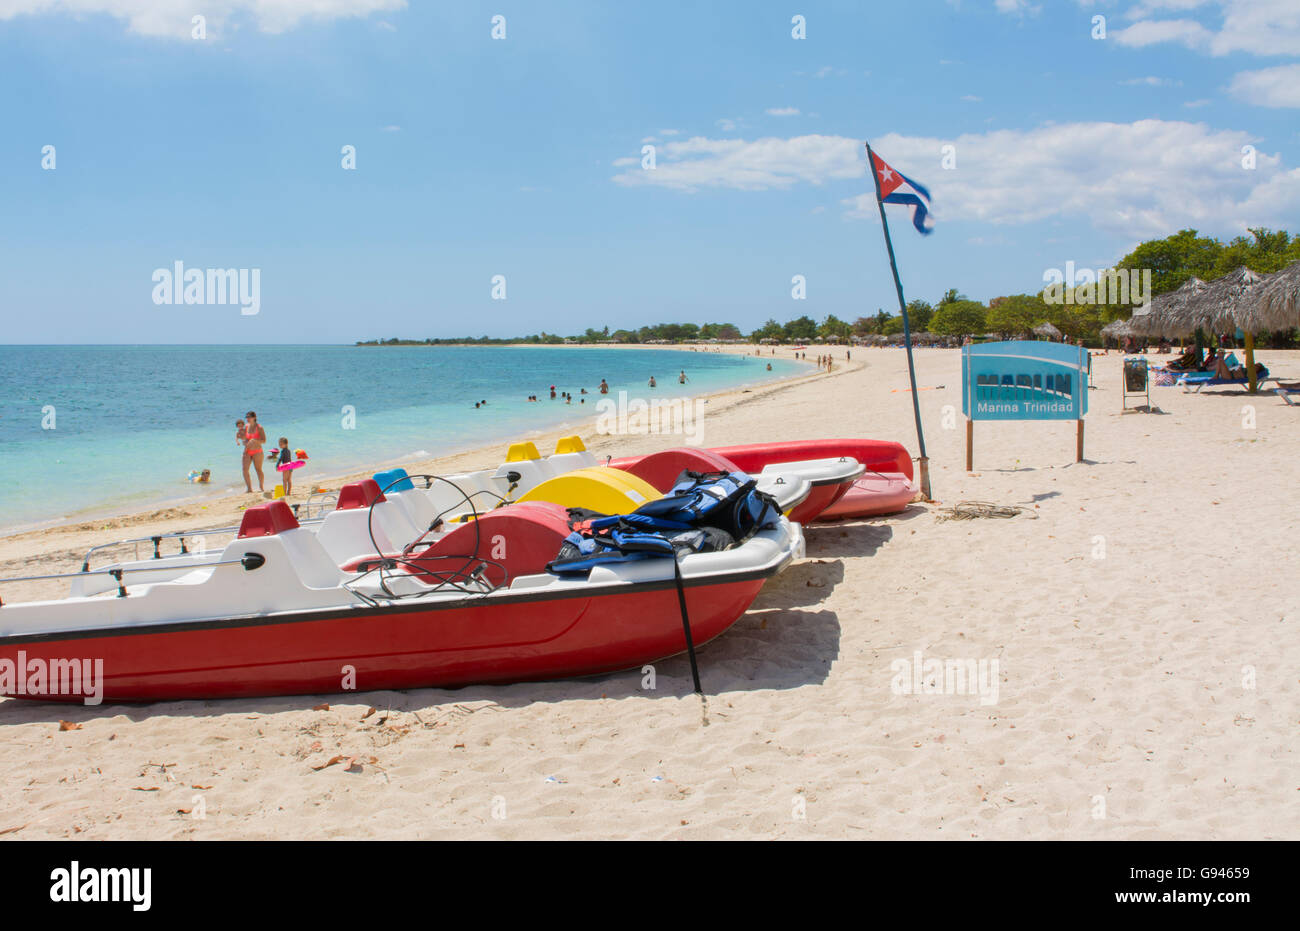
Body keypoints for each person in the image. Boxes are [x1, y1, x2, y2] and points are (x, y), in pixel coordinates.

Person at [242, 411, 267, 493]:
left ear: (254, 418)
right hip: (247, 451)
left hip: (257, 451)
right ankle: (249, 488)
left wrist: (255, 440)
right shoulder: (246, 426)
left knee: (258, 469)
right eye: (247, 417)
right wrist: (245, 441)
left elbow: (264, 441)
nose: (247, 418)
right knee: (245, 469)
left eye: (249, 417)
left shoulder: (259, 427)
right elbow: (245, 438)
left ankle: (261, 487)